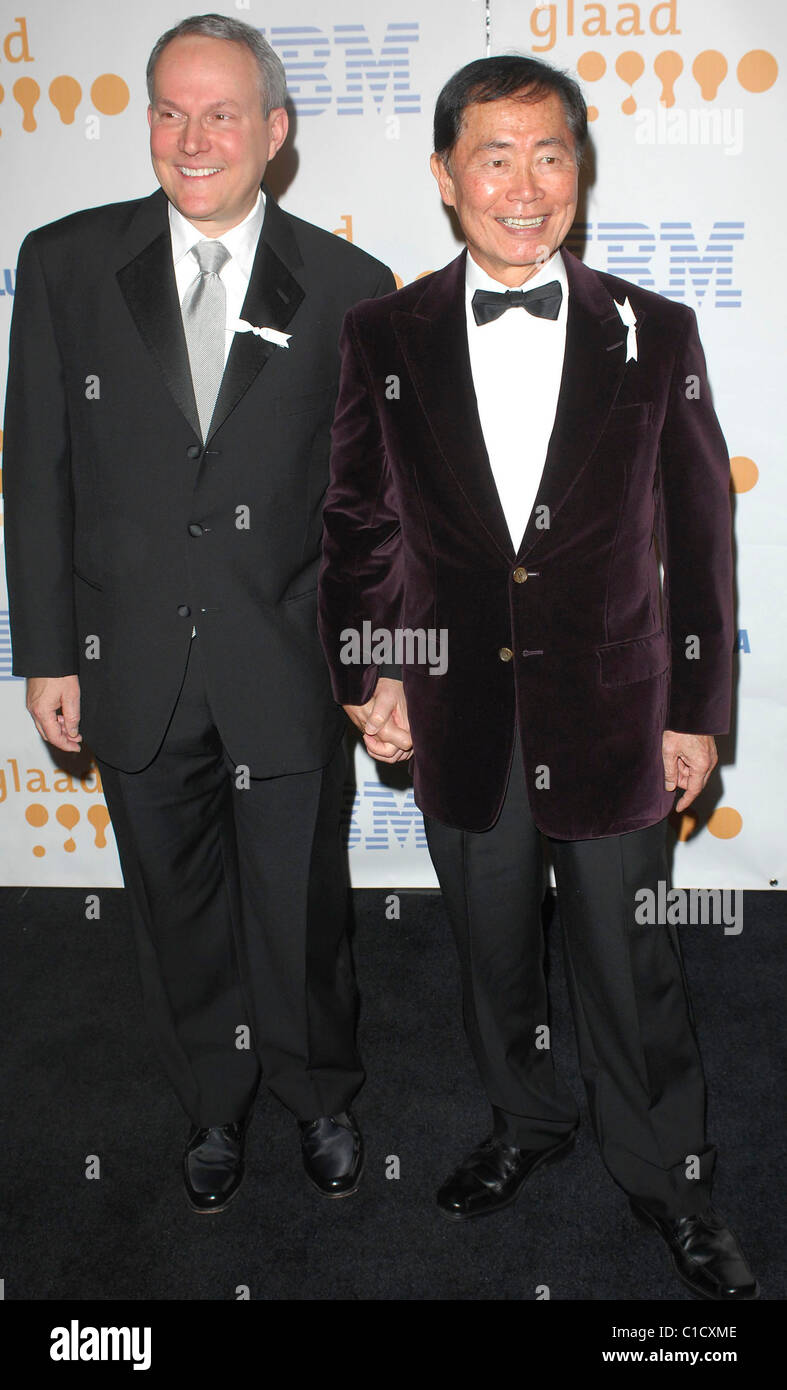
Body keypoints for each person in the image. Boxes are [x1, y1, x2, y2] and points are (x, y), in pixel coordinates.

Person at [318, 55, 759, 1299]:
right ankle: (525, 1119)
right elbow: (361, 522)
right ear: (445, 175)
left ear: (581, 169)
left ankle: (670, 1175)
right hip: (456, 707)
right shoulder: (383, 333)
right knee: (491, 952)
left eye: (549, 154)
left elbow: (699, 538)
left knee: (632, 962)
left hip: (617, 714)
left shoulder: (654, 329)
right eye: (494, 157)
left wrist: (694, 710)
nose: (524, 186)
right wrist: (373, 668)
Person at [3, 13, 395, 1213]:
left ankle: (316, 1092)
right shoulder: (66, 263)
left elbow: (368, 507)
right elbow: (39, 474)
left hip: (287, 659)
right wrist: (49, 652)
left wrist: (372, 660)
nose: (192, 138)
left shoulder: (350, 288)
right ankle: (212, 1104)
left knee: (300, 908)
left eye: (221, 114)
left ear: (275, 131)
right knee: (173, 909)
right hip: (130, 660)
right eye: (170, 112)